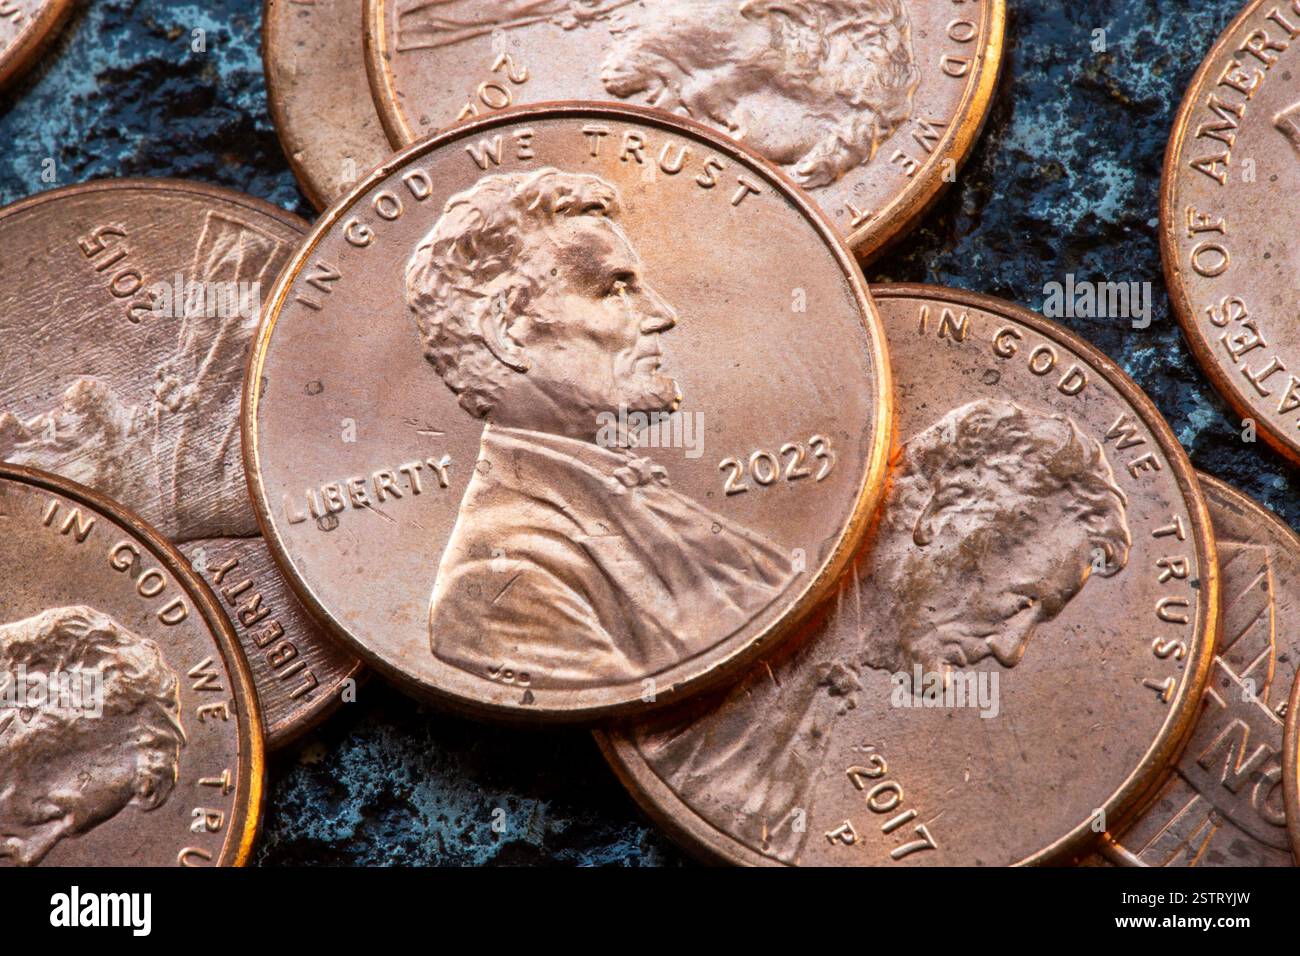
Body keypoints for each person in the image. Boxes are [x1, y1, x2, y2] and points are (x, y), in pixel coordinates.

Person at [407, 168, 795, 689]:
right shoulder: (500, 580)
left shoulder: (636, 494)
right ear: (507, 331)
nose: (662, 314)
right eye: (616, 289)